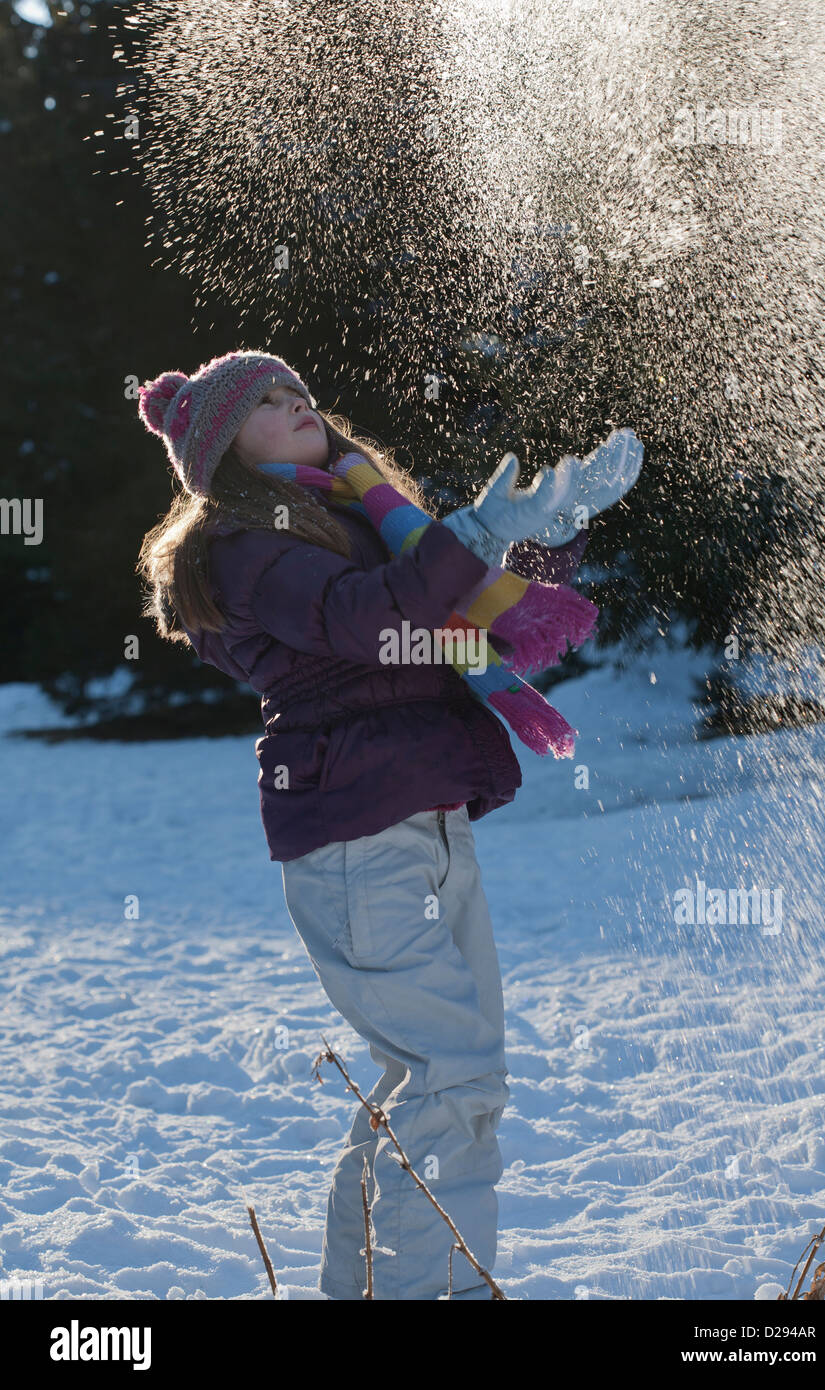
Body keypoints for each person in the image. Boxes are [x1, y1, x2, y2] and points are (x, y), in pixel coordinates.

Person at [136, 348, 642, 1300]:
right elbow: (371, 622)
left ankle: (365, 1291)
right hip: (356, 842)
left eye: (302, 389)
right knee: (455, 1083)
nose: (298, 402)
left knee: (442, 1085)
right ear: (221, 449)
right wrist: (481, 528)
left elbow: (452, 621)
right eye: (269, 400)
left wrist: (547, 536)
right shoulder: (244, 548)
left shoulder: (361, 516)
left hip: (424, 825)